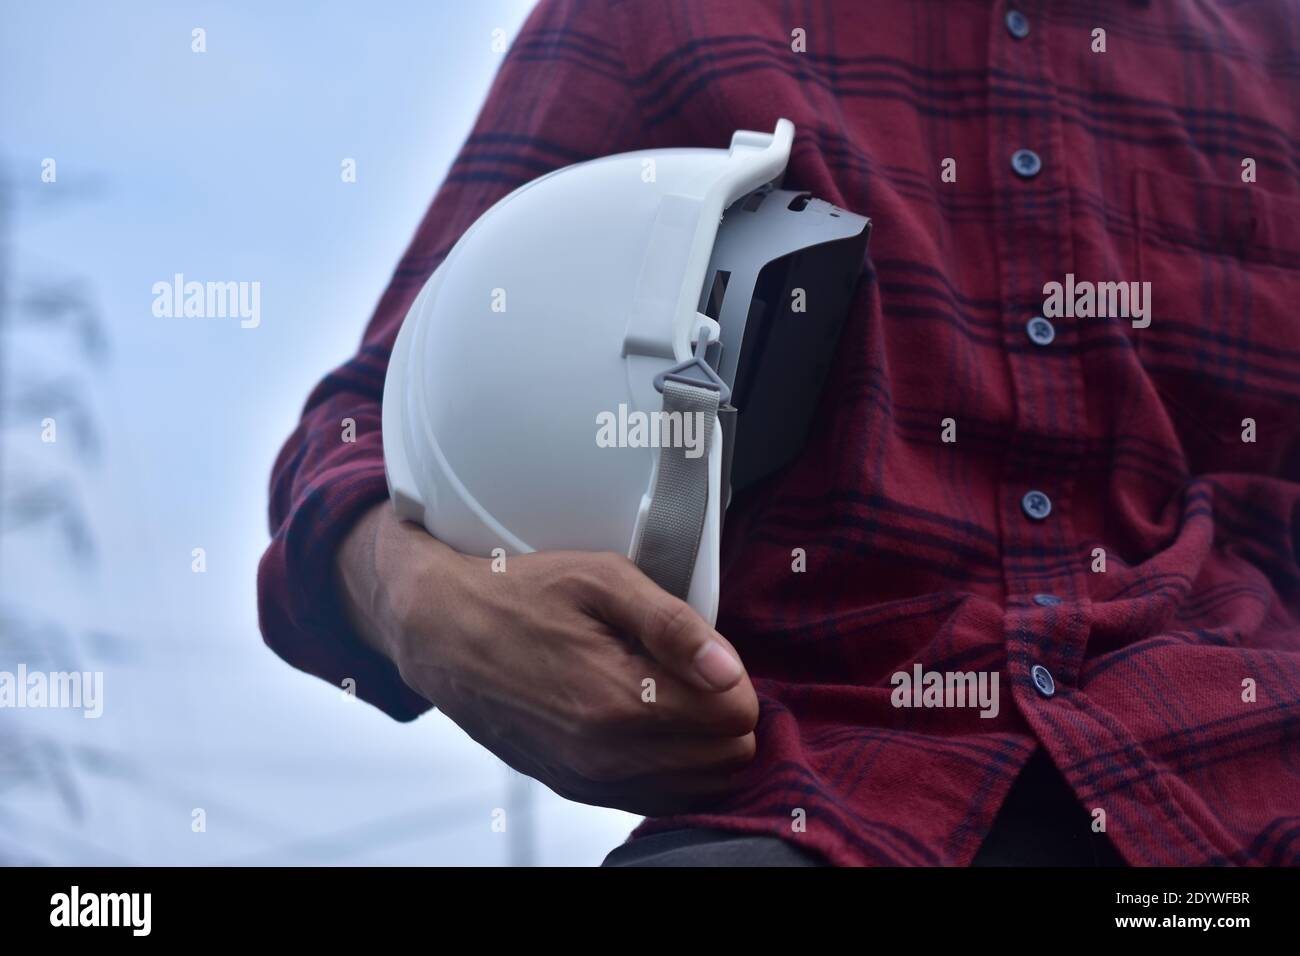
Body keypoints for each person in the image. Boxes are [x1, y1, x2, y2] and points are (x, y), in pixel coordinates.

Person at [258, 0, 1300, 866]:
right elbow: (364, 418)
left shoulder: (1274, 49)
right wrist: (426, 609)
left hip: (1244, 784)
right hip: (815, 803)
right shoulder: (656, 16)